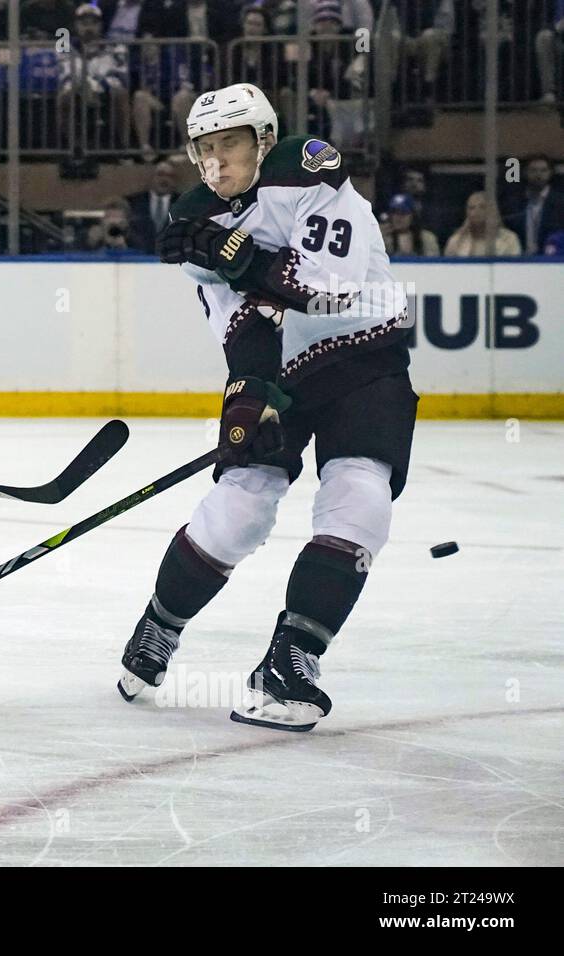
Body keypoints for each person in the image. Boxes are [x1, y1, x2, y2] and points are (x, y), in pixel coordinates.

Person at [121, 83, 415, 732]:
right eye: (204, 150)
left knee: (361, 498)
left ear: (261, 140)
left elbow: (329, 288)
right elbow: (240, 316)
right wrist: (248, 390)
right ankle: (162, 622)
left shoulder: (307, 170)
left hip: (364, 358)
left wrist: (242, 257)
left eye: (229, 144)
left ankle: (291, 661)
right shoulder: (195, 221)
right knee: (238, 510)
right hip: (280, 369)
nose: (215, 162)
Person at [58, 4, 132, 151]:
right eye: (84, 24)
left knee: (121, 93)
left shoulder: (116, 46)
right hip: (77, 88)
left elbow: (121, 75)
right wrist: (82, 85)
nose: (89, 28)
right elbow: (65, 74)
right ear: (76, 26)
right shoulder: (65, 46)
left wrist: (100, 86)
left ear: (101, 25)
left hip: (107, 88)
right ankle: (75, 147)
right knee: (64, 96)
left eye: (93, 23)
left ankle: (124, 147)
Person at [503, 154, 564, 256]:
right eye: (533, 170)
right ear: (525, 172)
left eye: (543, 170)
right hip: (519, 259)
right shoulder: (514, 201)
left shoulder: (560, 203)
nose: (538, 174)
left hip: (551, 261)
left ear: (551, 173)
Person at [442, 191, 522, 257]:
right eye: (472, 208)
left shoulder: (509, 239)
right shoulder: (455, 241)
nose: (476, 211)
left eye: (482, 207)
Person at [128, 159, 180, 250]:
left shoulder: (182, 202)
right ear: (151, 177)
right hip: (139, 257)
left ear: (175, 180)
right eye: (160, 174)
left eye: (169, 176)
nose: (164, 179)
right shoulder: (134, 202)